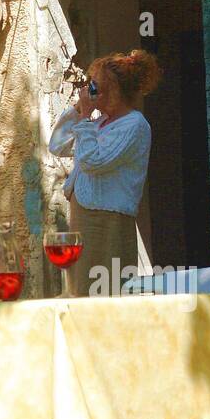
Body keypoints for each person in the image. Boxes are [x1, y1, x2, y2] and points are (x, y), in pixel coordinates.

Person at [48, 49, 161, 297]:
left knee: (103, 291)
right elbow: (57, 145)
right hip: (84, 216)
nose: (90, 91)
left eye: (95, 86)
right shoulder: (99, 123)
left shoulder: (134, 125)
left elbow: (93, 161)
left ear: (114, 90)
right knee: (79, 290)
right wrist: (78, 112)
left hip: (106, 220)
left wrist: (86, 118)